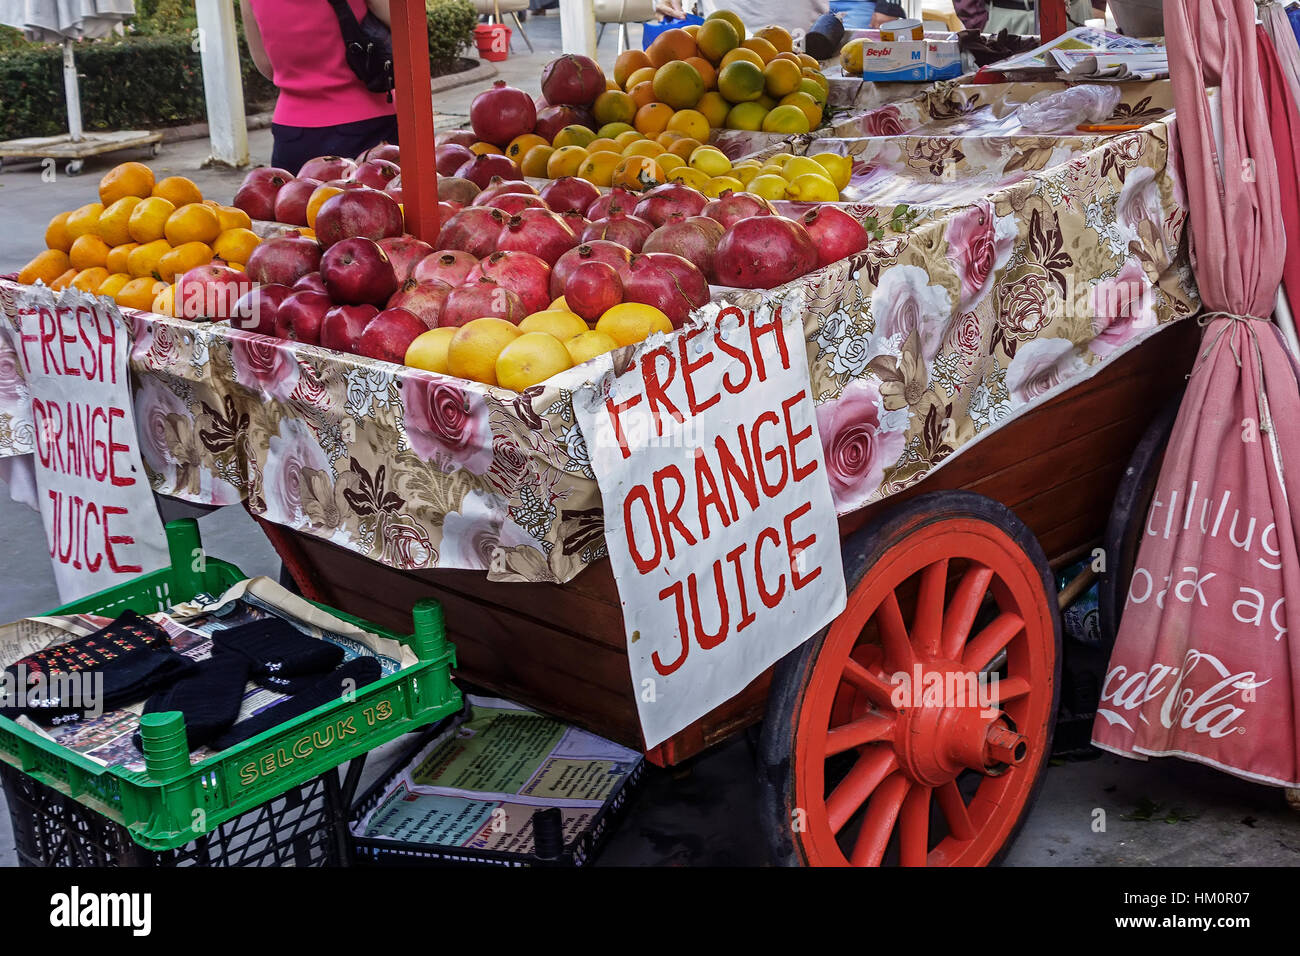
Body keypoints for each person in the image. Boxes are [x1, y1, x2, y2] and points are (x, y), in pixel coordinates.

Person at [241, 0, 400, 175]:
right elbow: (406, 23)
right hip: (370, 125)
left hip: (292, 136)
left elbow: (266, 65)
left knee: (296, 200)